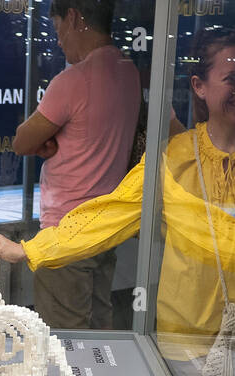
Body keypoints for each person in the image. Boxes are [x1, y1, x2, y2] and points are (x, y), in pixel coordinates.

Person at [0, 24, 235, 376]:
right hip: (184, 345)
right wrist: (31, 250)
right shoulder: (175, 157)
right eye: (232, 77)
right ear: (200, 86)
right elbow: (109, 214)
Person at [11, 0, 141, 330]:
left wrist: (45, 141)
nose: (57, 41)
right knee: (100, 327)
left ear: (73, 18)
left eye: (57, 30)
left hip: (65, 233)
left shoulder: (73, 81)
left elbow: (21, 142)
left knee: (64, 338)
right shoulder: (129, 72)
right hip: (103, 226)